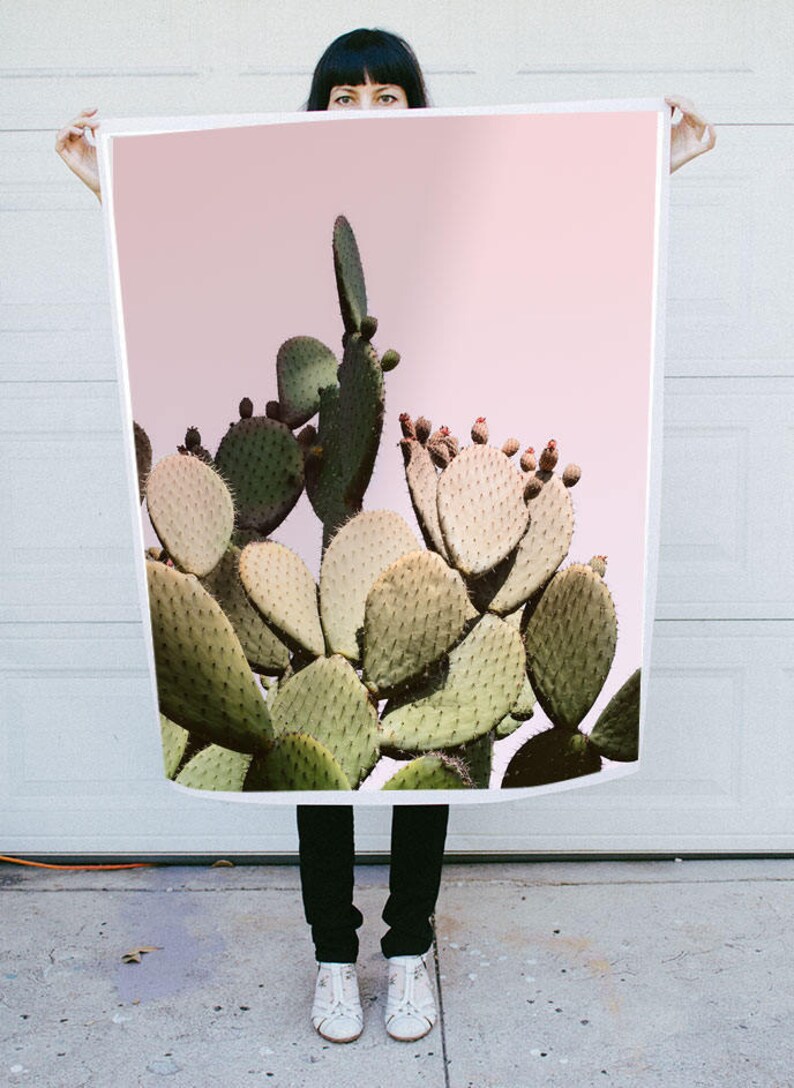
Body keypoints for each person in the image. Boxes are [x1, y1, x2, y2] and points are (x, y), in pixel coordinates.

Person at [55, 26, 716, 1047]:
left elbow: (543, 209)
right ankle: (333, 955)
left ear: (419, 106)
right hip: (337, 520)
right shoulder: (280, 182)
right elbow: (191, 210)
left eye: (388, 94)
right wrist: (113, 179)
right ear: (314, 110)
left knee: (432, 748)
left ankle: (407, 949)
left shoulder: (454, 175)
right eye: (344, 94)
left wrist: (650, 160)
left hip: (430, 506)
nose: (365, 110)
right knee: (312, 747)